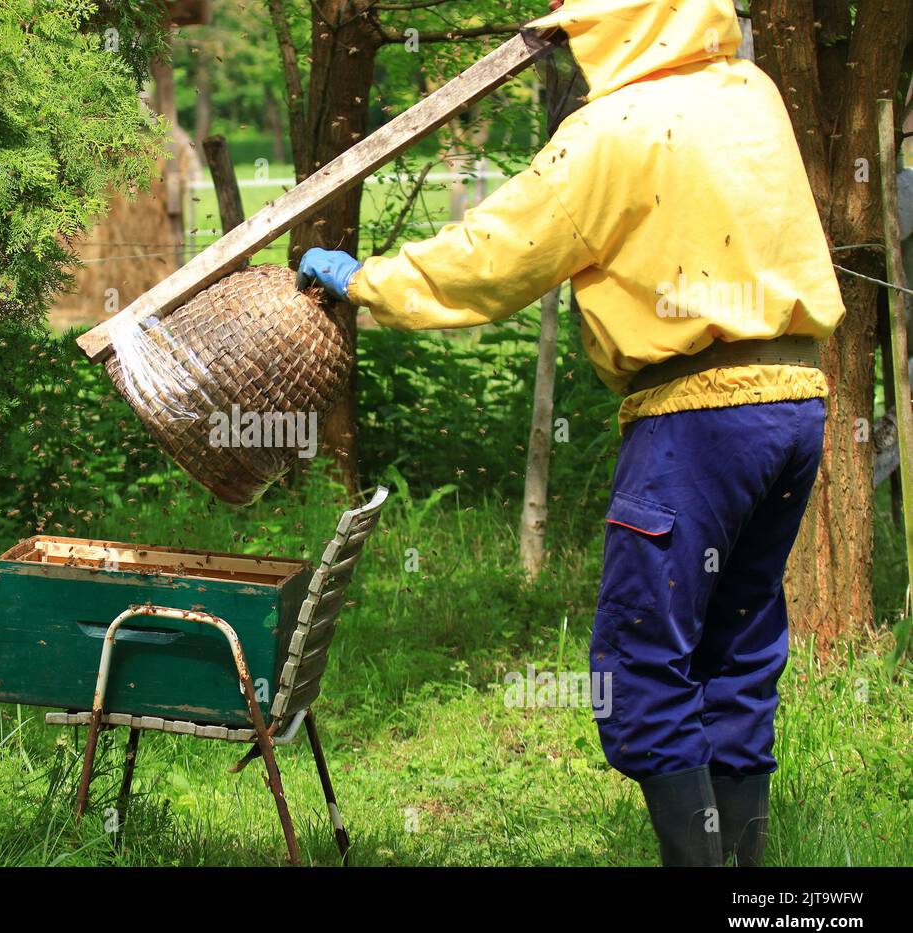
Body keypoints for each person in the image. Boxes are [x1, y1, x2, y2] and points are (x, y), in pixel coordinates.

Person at [298, 0, 845, 866]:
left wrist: (367, 281)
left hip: (694, 419)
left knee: (642, 667)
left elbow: (492, 259)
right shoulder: (751, 90)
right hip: (796, 407)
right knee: (737, 653)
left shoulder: (612, 132)